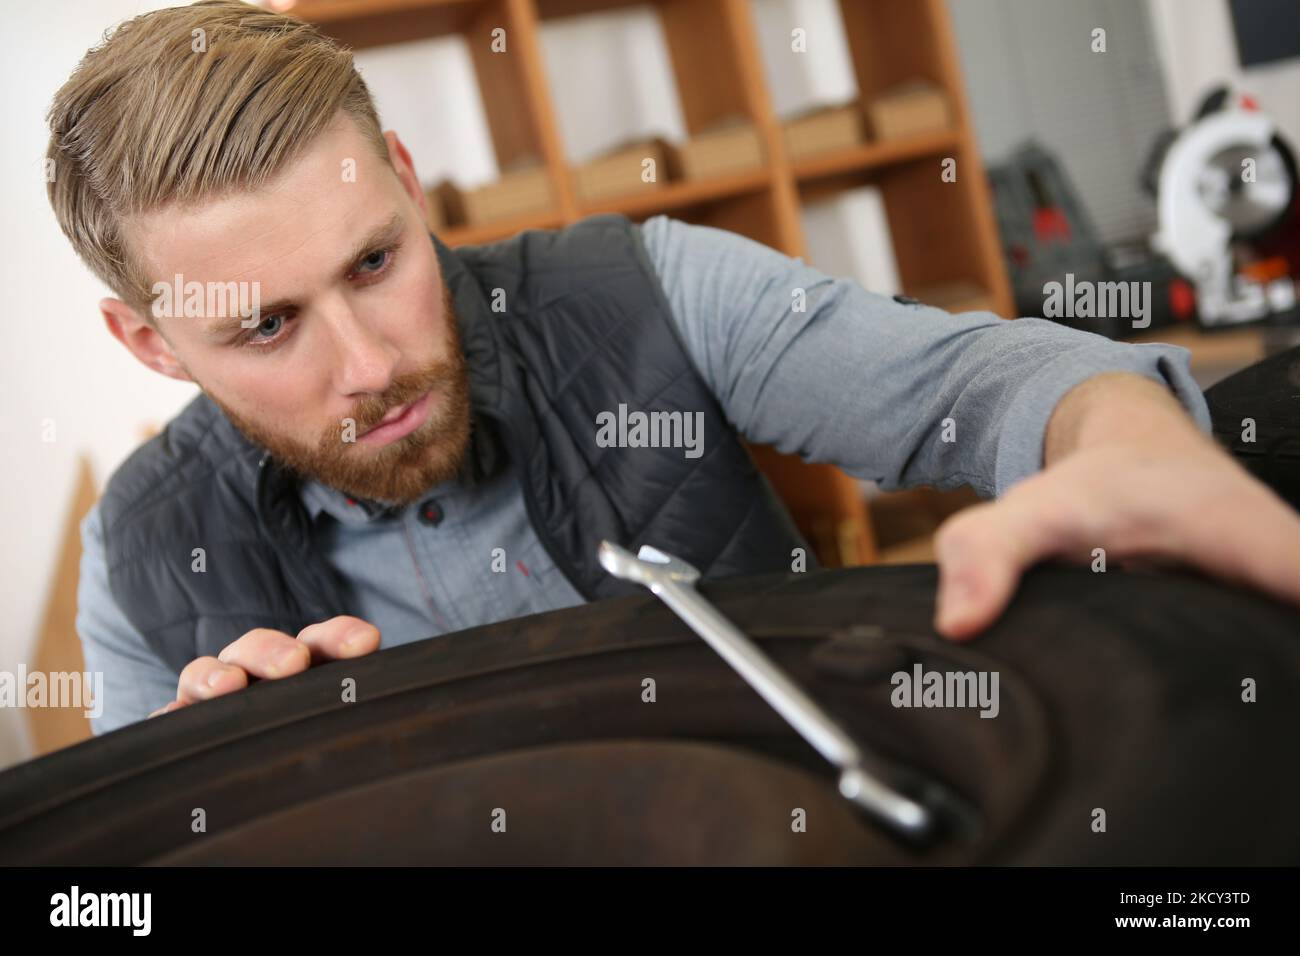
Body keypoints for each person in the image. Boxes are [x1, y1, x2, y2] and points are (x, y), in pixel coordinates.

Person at [47, 1, 1300, 734]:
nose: (371, 364)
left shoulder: (646, 289)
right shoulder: (142, 557)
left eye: (377, 261)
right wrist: (226, 802)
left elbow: (977, 385)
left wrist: (1118, 436)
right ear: (152, 343)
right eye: (267, 326)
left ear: (406, 180)